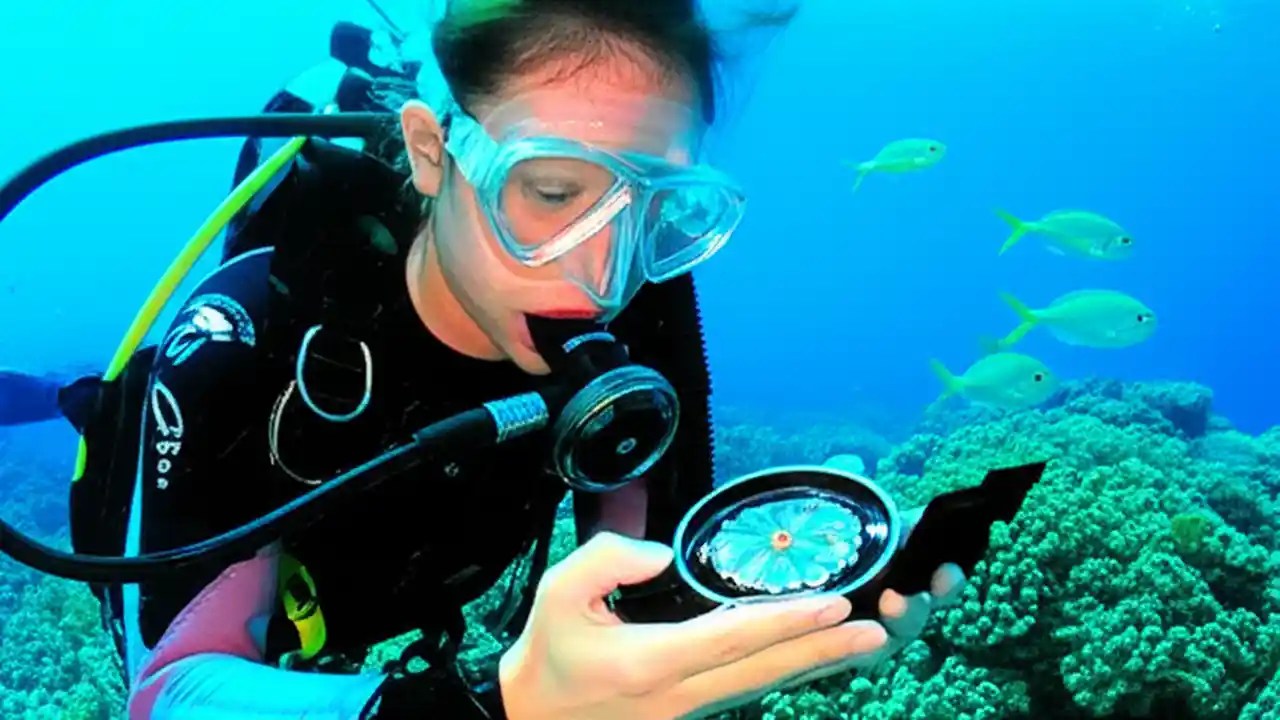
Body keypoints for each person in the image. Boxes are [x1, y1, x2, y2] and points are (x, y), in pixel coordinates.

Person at [3, 2, 967, 718]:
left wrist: (798, 597)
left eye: (659, 212)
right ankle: (61, 394)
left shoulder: (635, 306)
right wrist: (490, 704)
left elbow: (646, 583)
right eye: (550, 193)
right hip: (278, 571)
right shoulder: (248, 341)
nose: (600, 274)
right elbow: (169, 689)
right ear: (432, 153)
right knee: (100, 402)